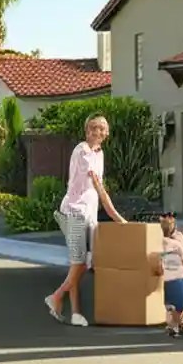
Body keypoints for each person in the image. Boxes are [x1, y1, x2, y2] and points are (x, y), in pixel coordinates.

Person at [45, 114, 127, 327]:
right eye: (93, 128)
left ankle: (76, 313)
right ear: (86, 131)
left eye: (101, 128)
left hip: (88, 215)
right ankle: (56, 297)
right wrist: (118, 218)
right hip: (74, 212)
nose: (97, 132)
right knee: (80, 262)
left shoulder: (99, 154)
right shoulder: (83, 152)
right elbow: (100, 190)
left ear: (107, 133)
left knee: (80, 263)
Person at [155, 214, 183, 337]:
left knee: (168, 305)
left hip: (164, 279)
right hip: (177, 278)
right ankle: (179, 324)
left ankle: (172, 325)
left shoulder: (157, 243)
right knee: (179, 306)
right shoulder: (177, 243)